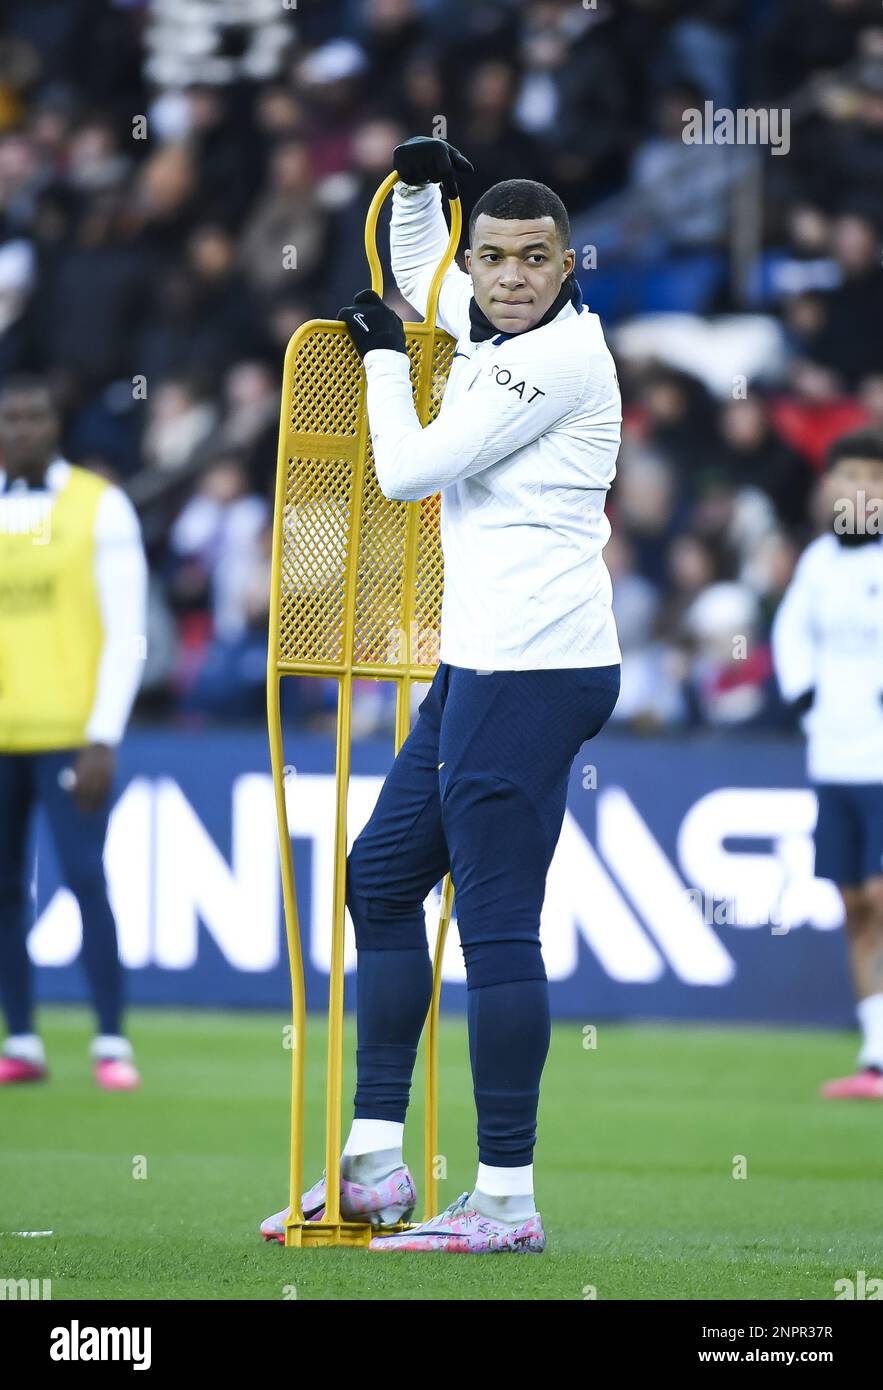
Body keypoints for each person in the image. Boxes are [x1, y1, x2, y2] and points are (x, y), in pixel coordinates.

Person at [262, 137, 622, 1253]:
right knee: (381, 877)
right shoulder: (483, 316)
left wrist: (377, 362)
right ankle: (375, 1162)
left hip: (537, 663)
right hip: (481, 656)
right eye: (493, 258)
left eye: (535, 258)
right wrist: (419, 191)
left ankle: (506, 1198)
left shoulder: (555, 360)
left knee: (497, 923)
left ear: (569, 268)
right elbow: (415, 280)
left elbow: (408, 467)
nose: (511, 275)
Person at [0, 375, 147, 1090]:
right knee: (2, 893)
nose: (21, 429)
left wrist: (103, 735)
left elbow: (127, 630)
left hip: (68, 732)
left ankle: (111, 1041)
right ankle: (21, 1039)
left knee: (87, 880)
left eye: (34, 415)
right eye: (10, 418)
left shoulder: (99, 504)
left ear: (56, 425)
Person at [772, 428, 883, 1101]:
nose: (860, 491)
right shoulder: (818, 562)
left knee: (878, 895)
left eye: (873, 480)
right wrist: (806, 698)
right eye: (849, 478)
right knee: (852, 902)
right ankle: (874, 1055)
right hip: (833, 752)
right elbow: (789, 632)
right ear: (828, 488)